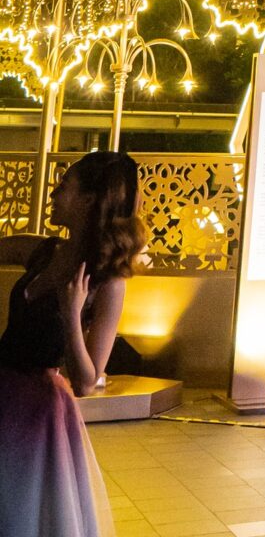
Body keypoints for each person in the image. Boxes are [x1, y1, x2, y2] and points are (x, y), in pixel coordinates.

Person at [0, 151, 146, 537]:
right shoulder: (42, 251)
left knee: (21, 510)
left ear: (87, 201)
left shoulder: (107, 280)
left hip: (38, 414)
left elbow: (86, 381)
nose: (53, 193)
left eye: (64, 187)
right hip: (3, 390)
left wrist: (71, 316)